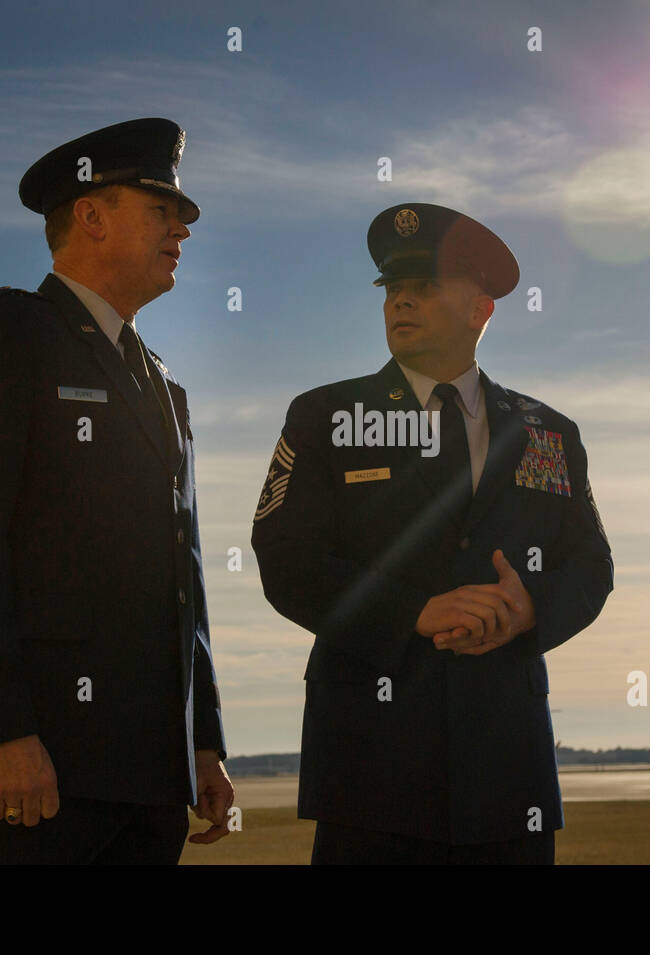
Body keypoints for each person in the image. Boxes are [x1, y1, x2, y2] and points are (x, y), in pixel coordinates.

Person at [0, 118, 232, 864]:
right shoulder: (5, 333)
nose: (181, 228)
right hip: (43, 765)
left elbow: (183, 579)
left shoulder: (163, 386)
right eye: (161, 209)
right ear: (90, 214)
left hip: (151, 773)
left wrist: (203, 741)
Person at [251, 203, 614, 864]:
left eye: (424, 286)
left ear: (482, 307)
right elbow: (286, 558)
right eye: (393, 289)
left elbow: (590, 564)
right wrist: (414, 610)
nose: (402, 302)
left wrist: (530, 606)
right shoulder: (328, 415)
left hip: (508, 770)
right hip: (370, 770)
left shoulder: (545, 432)